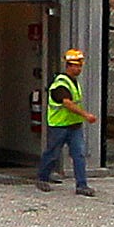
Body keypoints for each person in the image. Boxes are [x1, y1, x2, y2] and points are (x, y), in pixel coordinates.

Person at [39, 46, 93, 194]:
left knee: (79, 154)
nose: (79, 68)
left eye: (80, 65)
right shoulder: (60, 84)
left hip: (74, 125)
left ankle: (81, 185)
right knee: (53, 153)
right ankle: (42, 178)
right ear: (68, 66)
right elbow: (67, 103)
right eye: (76, 65)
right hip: (59, 125)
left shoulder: (73, 82)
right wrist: (86, 115)